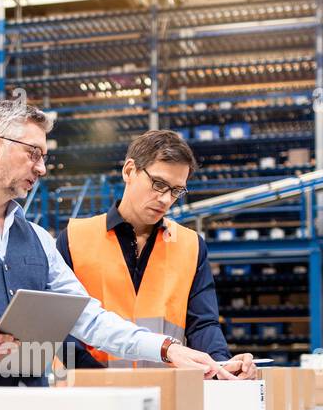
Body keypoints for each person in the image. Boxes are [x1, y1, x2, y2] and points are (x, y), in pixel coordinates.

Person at [0, 99, 235, 387]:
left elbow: (89, 319)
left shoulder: (39, 240)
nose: (42, 168)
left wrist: (168, 349)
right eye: (33, 153)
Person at [55, 130, 256, 378]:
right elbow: (59, 327)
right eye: (158, 184)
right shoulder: (74, 238)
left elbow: (202, 324)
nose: (165, 199)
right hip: (89, 393)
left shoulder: (191, 245)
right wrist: (99, 380)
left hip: (165, 394)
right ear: (129, 171)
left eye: (176, 191)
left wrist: (223, 367)